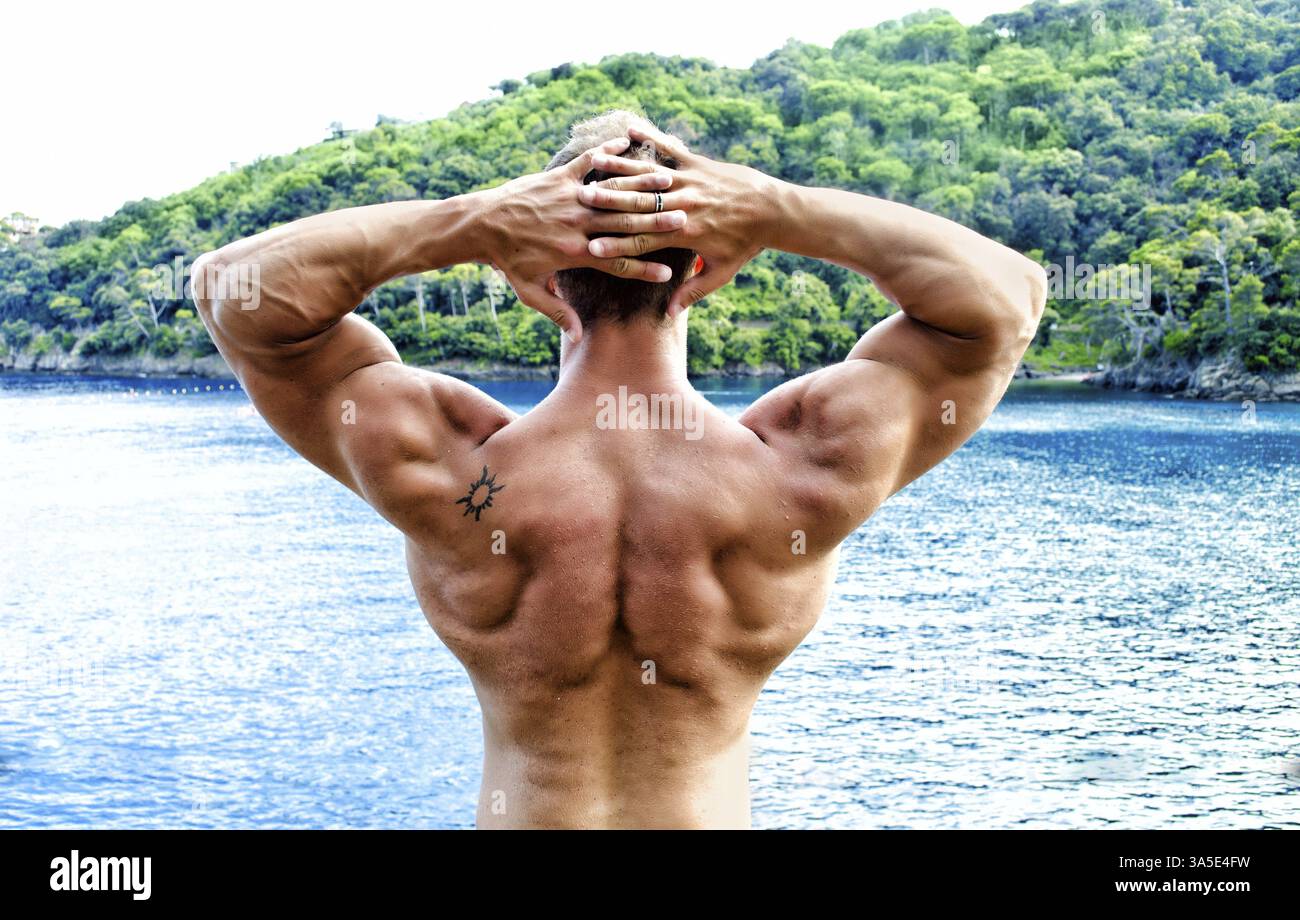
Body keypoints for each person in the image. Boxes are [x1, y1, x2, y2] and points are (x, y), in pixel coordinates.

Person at [192, 108, 1045, 829]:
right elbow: (1006, 303)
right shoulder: (803, 469)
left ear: (540, 277)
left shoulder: (449, 471)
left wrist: (480, 221)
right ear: (704, 272)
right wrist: (777, 208)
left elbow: (234, 292)